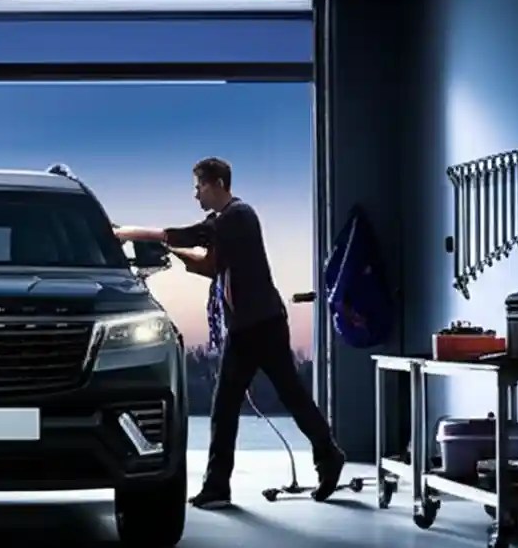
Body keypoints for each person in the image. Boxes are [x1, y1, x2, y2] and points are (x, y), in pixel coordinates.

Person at [115, 157, 346, 509]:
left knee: (273, 398)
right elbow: (209, 266)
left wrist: (128, 233)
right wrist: (170, 250)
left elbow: (188, 235)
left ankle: (322, 458)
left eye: (199, 187)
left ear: (218, 183)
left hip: (262, 325)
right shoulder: (224, 222)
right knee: (237, 405)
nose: (196, 195)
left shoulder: (239, 216)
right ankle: (225, 484)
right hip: (248, 327)